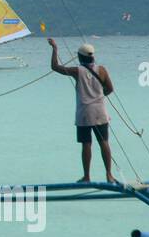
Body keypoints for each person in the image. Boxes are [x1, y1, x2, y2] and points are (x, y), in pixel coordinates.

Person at [48, 38, 115, 184]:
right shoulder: (102, 70)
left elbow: (55, 67)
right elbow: (110, 89)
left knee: (86, 144)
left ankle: (86, 176)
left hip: (84, 113)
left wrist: (54, 48)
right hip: (100, 112)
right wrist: (98, 96)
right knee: (104, 142)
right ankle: (109, 175)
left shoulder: (77, 71)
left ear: (80, 57)